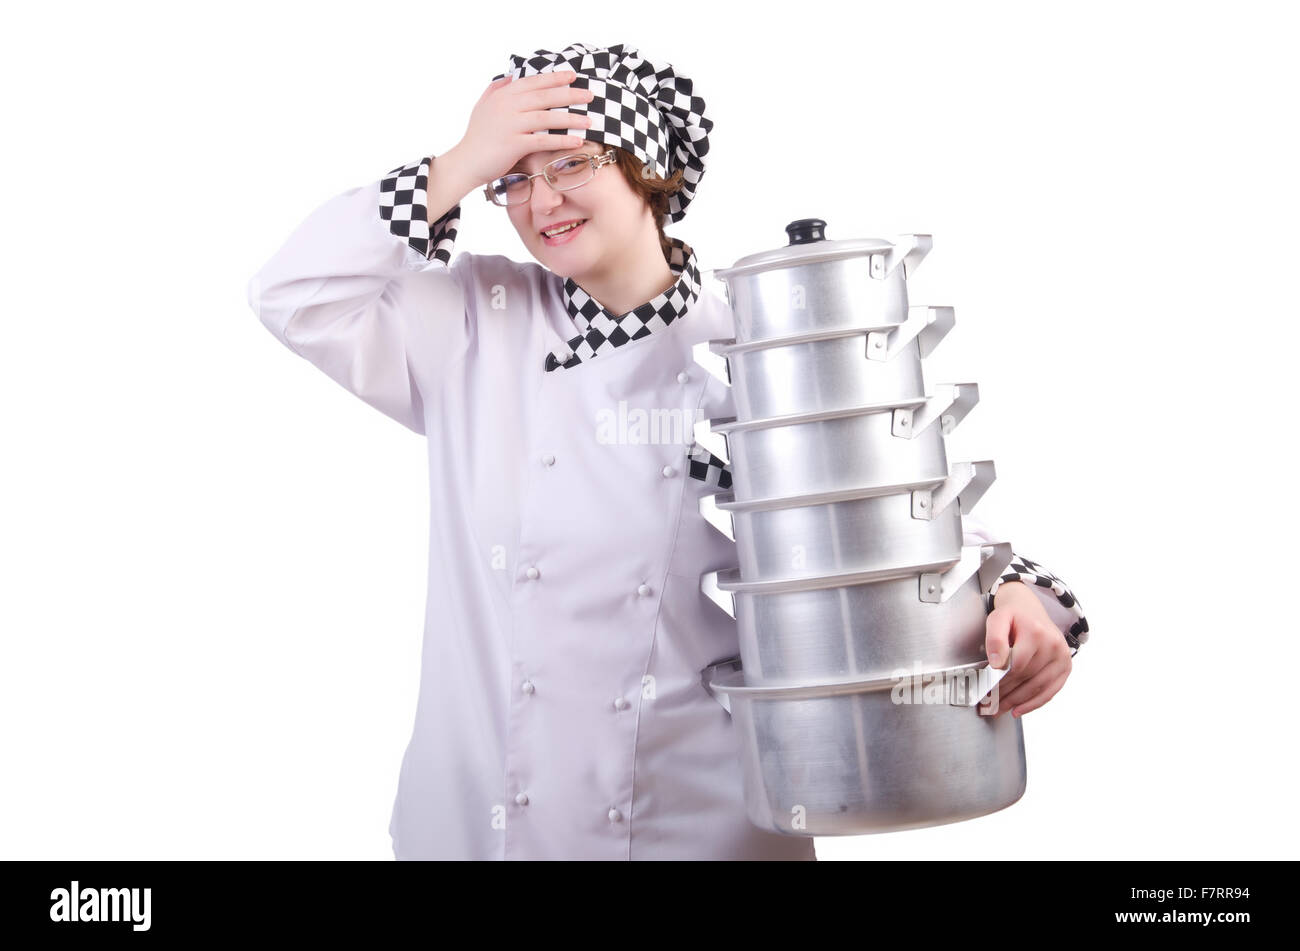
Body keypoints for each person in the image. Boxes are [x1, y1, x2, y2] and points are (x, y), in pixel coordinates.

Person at [246, 41, 1089, 861]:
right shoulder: (473, 320)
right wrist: (458, 163)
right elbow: (291, 294)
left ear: (646, 169)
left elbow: (888, 529)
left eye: (571, 164)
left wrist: (1020, 596)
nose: (542, 202)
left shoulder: (761, 347)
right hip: (476, 829)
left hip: (696, 826)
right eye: (516, 178)